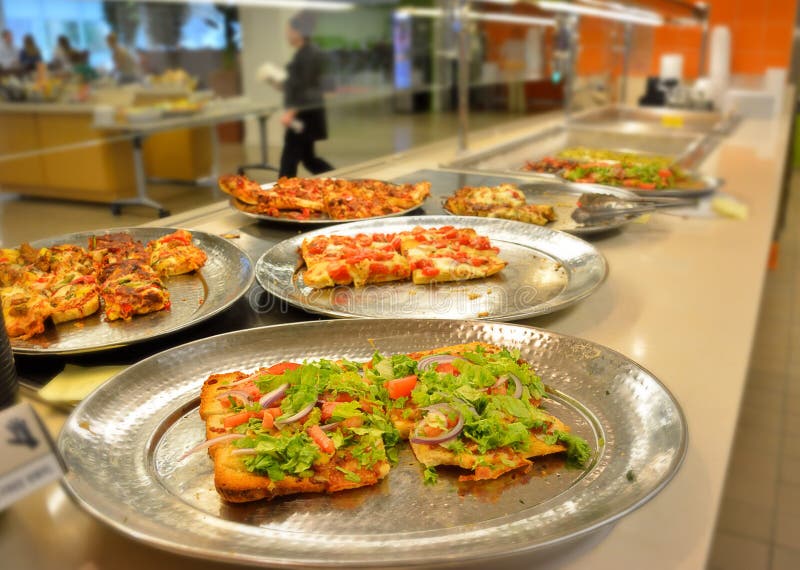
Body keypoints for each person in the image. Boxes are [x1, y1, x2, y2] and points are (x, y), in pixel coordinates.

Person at [275, 12, 333, 178]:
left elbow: (305, 88)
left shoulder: (307, 55)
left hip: (303, 116)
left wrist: (290, 113)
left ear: (298, 32)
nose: (286, 35)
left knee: (289, 160)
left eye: (288, 31)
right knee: (308, 158)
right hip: (306, 114)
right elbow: (300, 84)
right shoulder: (306, 53)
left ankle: (283, 194)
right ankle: (337, 179)